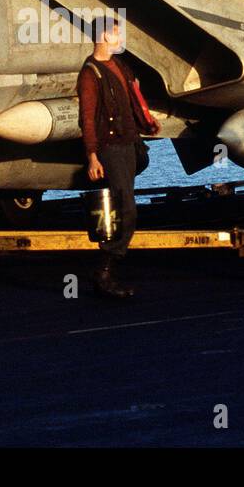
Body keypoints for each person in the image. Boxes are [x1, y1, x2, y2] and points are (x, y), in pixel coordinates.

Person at [77, 16, 159, 298]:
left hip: (130, 143)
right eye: (115, 34)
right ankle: (104, 269)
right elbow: (87, 118)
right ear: (102, 37)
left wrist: (146, 123)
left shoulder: (120, 66)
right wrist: (92, 156)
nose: (120, 39)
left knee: (124, 204)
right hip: (111, 147)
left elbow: (133, 99)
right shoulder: (91, 73)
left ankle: (107, 267)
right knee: (127, 209)